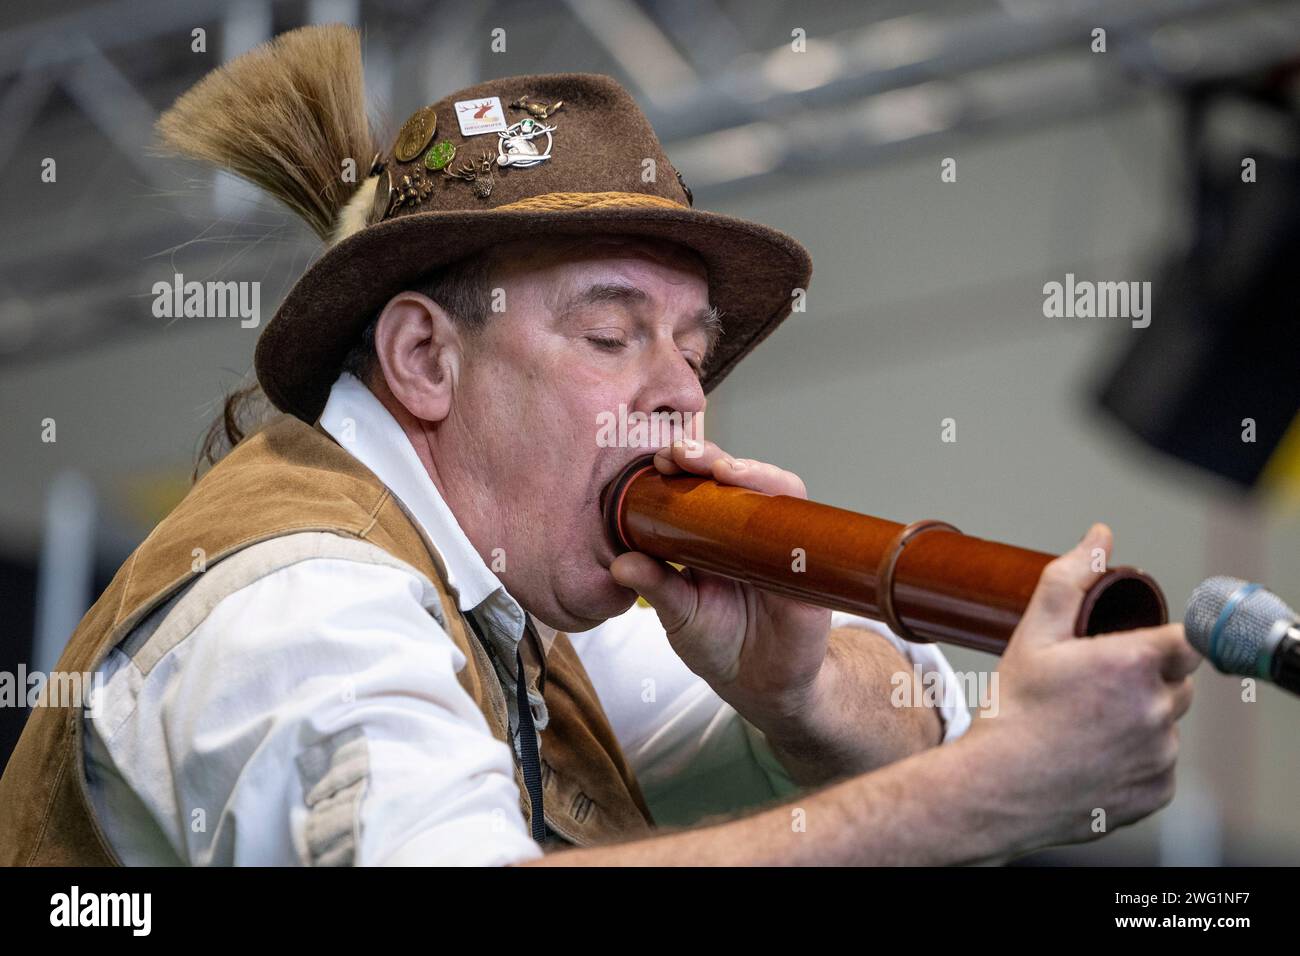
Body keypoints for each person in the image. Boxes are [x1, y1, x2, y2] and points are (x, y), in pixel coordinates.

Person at [0, 25, 1198, 866]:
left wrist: (797, 685)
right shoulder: (299, 602)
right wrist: (989, 789)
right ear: (423, 359)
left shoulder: (520, 587)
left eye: (692, 345)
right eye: (612, 331)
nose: (682, 392)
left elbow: (908, 731)